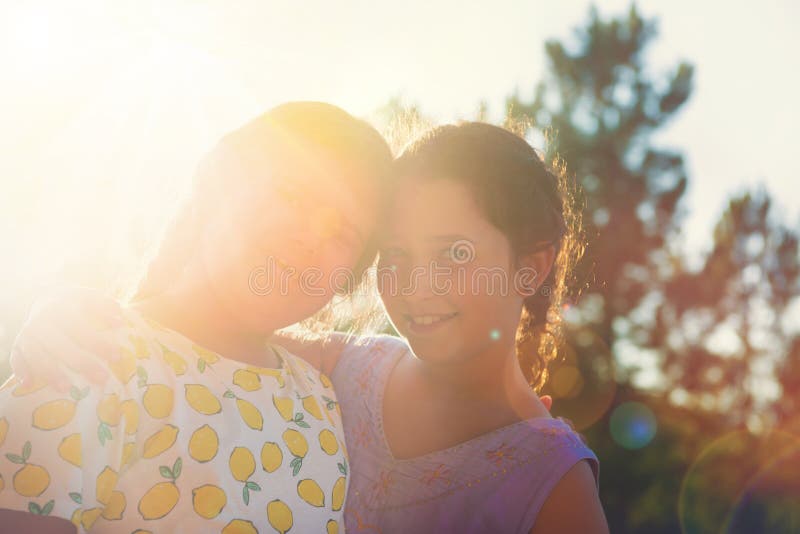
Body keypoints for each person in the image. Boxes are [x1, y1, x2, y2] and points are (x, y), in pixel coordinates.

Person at [14, 122, 609, 532]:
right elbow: (197, 335)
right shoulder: (347, 369)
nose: (414, 285)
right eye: (394, 255)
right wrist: (74, 314)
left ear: (531, 267)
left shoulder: (555, 486)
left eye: (453, 253)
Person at [0, 101, 393, 533]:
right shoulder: (88, 354)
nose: (311, 237)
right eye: (293, 194)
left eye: (343, 234)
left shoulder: (320, 397)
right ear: (220, 183)